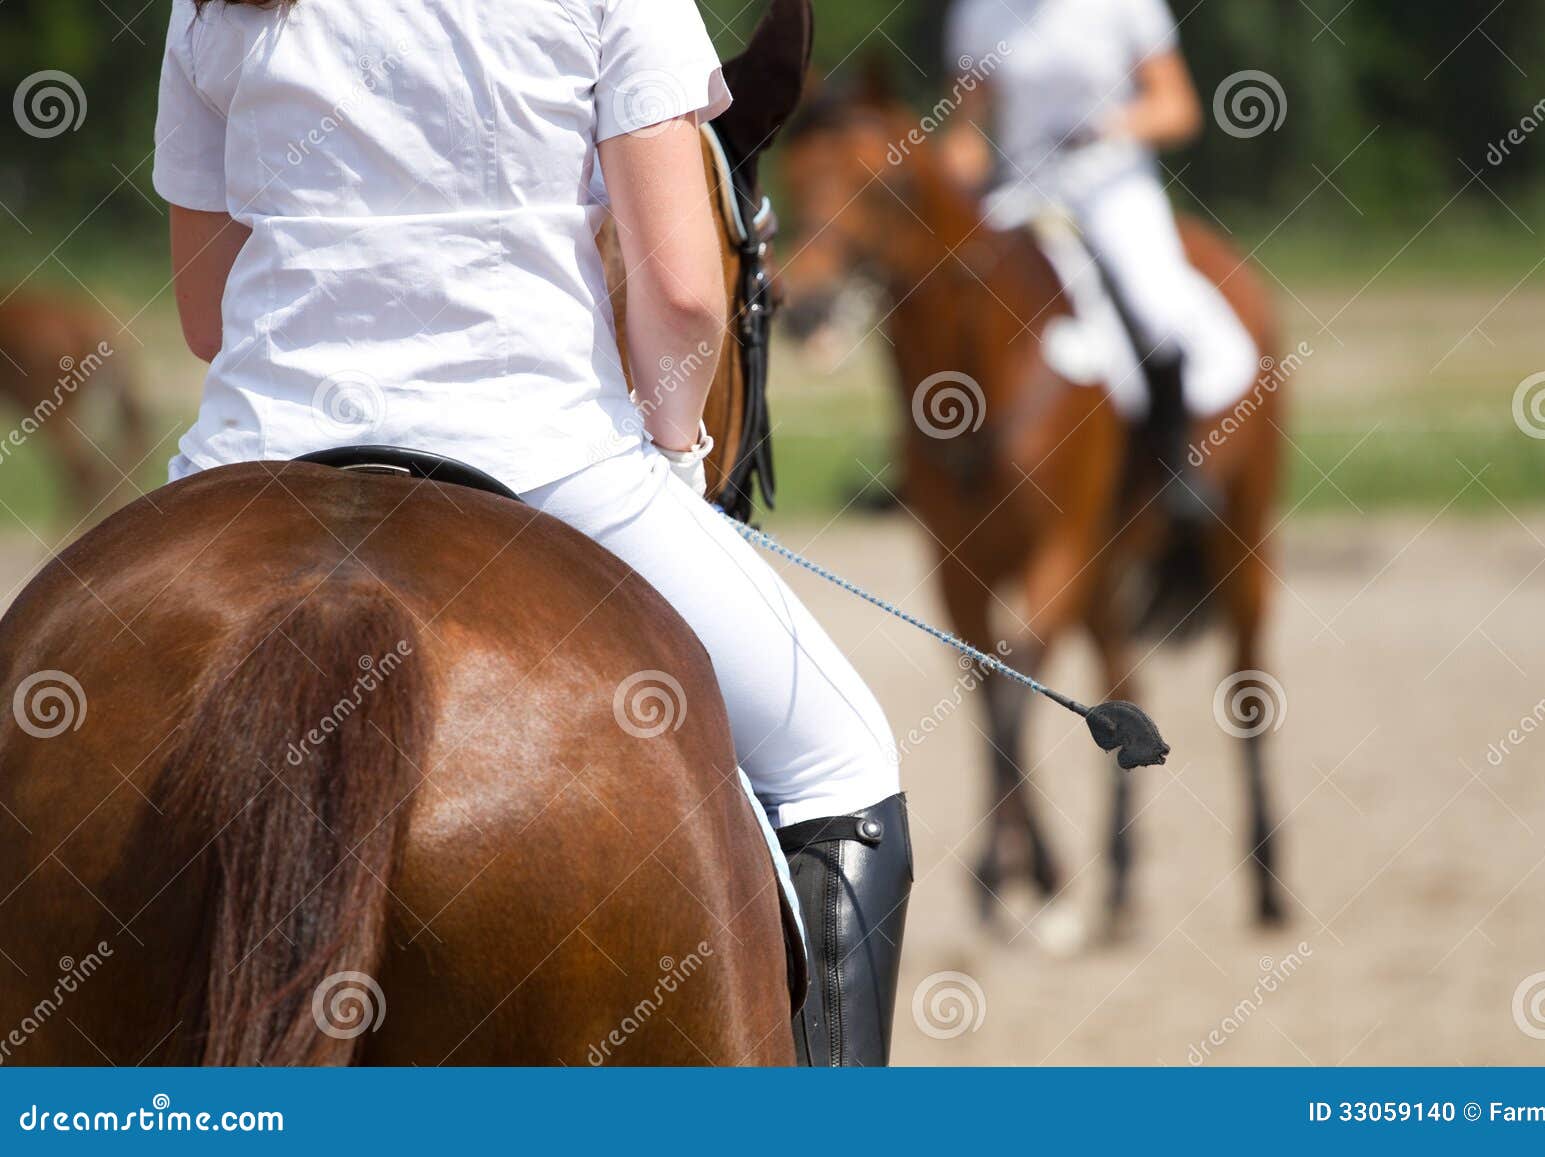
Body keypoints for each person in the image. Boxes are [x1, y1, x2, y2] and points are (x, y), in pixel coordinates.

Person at [153, 0, 909, 1067]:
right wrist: (676, 449)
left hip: (251, 460)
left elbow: (204, 310)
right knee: (841, 757)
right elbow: (688, 296)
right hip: (544, 462)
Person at [944, 0, 1258, 518]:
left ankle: (1174, 463)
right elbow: (966, 127)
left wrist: (1103, 127)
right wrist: (946, 178)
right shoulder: (981, 10)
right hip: (1024, 191)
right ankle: (934, 460)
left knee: (1155, 306)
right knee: (949, 297)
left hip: (1113, 189)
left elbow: (1177, 108)